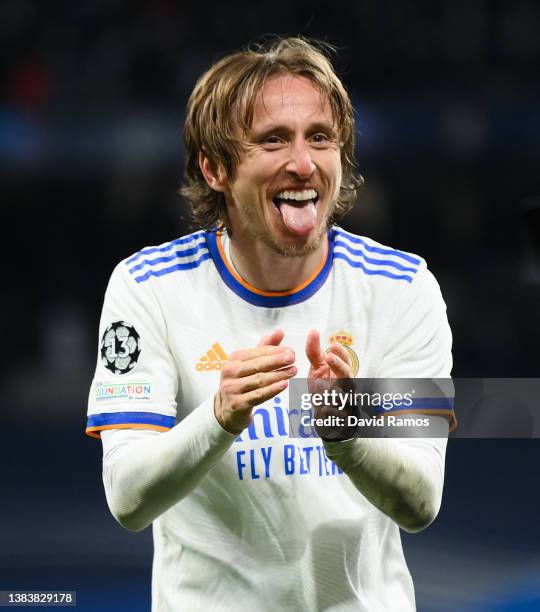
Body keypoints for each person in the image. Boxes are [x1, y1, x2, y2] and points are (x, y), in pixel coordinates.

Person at [86, 37, 455, 612]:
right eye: (273, 140)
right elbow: (128, 497)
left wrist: (346, 429)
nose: (304, 163)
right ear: (214, 168)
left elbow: (422, 502)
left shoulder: (402, 288)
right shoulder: (148, 288)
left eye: (321, 137)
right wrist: (218, 416)